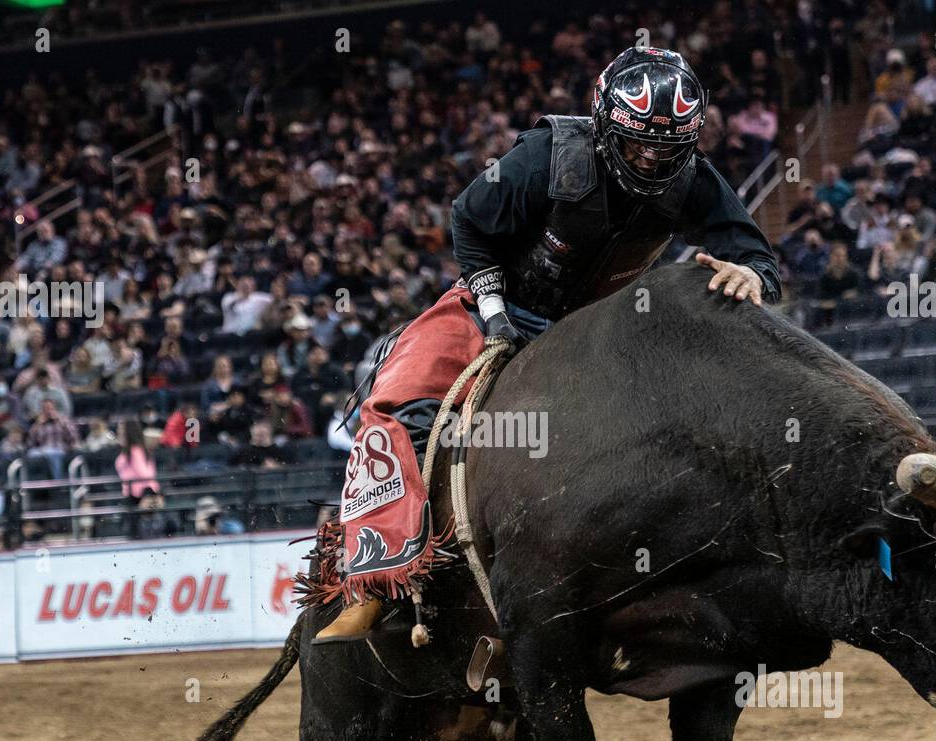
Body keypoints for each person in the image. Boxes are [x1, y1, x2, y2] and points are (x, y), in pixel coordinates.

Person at [318, 47, 781, 639]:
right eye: (637, 143)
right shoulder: (546, 156)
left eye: (666, 151)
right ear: (605, 123)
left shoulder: (694, 179)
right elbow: (469, 219)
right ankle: (377, 582)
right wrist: (493, 314)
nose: (649, 159)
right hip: (495, 305)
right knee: (397, 400)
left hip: (604, 329)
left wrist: (754, 277)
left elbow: (755, 255)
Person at [115, 419, 160, 501]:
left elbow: (147, 474)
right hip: (131, 493)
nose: (118, 432)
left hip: (140, 495)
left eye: (121, 429)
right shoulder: (134, 450)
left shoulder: (136, 451)